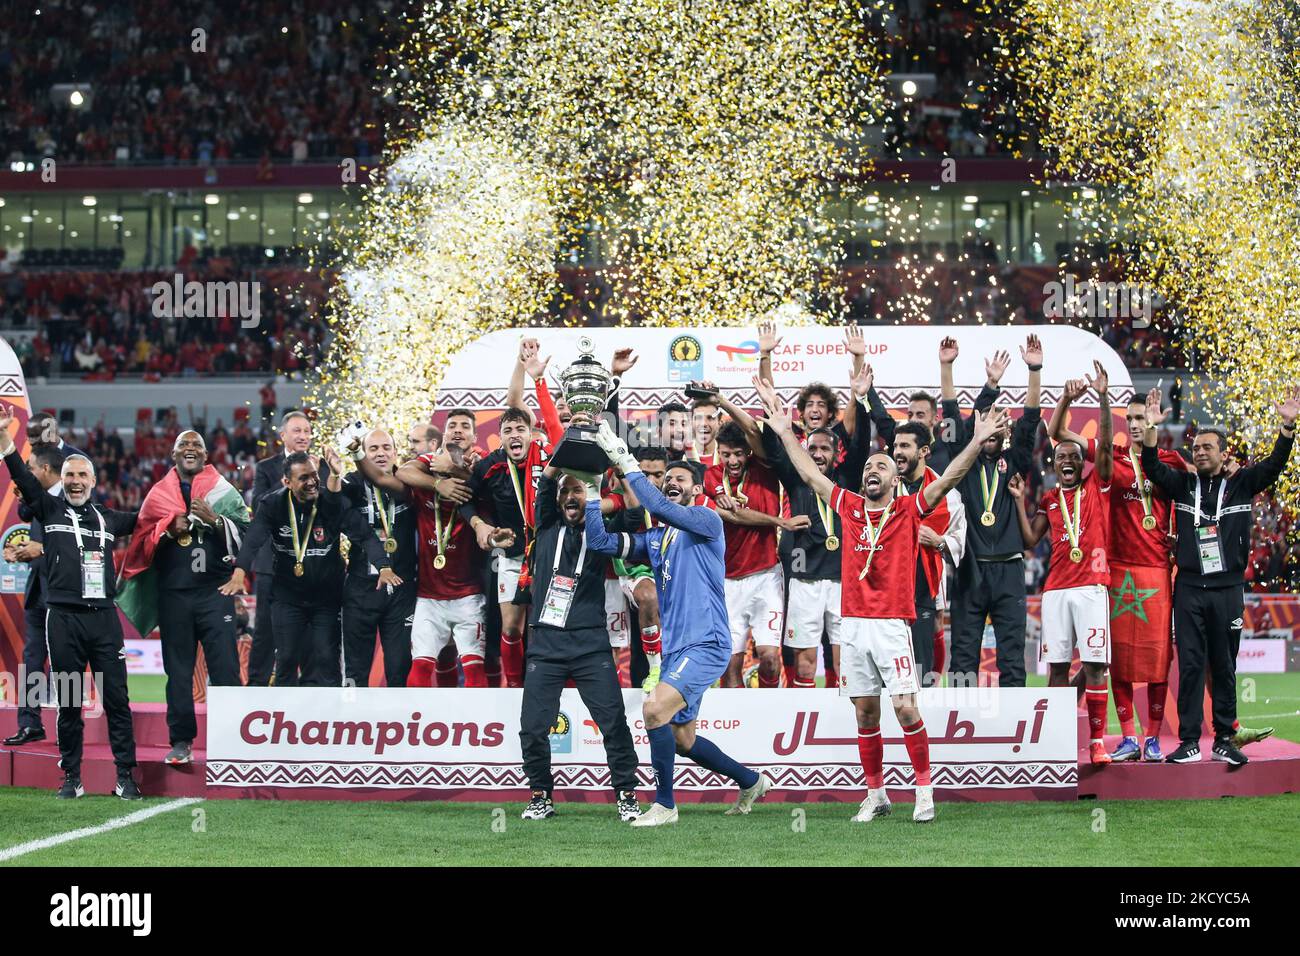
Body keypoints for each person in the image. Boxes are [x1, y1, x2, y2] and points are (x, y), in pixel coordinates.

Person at [757, 376, 1008, 823]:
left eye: (883, 468)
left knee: (905, 706)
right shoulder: (849, 506)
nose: (873, 470)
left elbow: (951, 476)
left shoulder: (909, 510)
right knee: (866, 711)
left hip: (892, 624)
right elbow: (811, 474)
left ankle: (924, 789)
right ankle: (876, 794)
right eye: (870, 466)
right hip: (851, 624)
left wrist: (979, 439)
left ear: (896, 481)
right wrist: (782, 431)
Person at [586, 422, 772, 827]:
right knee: (683, 739)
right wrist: (588, 492)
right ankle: (750, 780)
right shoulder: (657, 539)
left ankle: (665, 805)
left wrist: (623, 458)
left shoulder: (706, 520)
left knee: (653, 710)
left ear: (696, 490)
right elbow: (601, 543)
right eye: (667, 478)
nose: (670, 483)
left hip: (706, 643)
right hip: (676, 648)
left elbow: (662, 507)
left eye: (679, 479)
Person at [1139, 386, 1298, 765]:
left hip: (1227, 588)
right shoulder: (1181, 484)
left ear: (1224, 453)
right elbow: (1150, 466)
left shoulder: (1242, 483)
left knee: (1224, 664)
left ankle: (1226, 738)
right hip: (1190, 587)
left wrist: (1287, 427)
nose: (1199, 451)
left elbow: (1274, 465)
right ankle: (1190, 741)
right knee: (1191, 663)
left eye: (1208, 447)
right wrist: (1150, 428)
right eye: (1196, 447)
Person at [0, 405, 142, 799]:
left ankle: (125, 776)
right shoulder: (48, 508)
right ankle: (71, 778)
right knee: (68, 703)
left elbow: (151, 518)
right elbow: (22, 476)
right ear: (60, 483)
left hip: (104, 620)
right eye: (70, 476)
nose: (76, 481)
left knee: (118, 700)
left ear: (93, 481)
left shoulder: (109, 518)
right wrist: (5, 441)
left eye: (82, 475)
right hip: (61, 619)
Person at [1048, 379, 1186, 762]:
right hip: (1118, 569)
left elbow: (1192, 500)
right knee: (1118, 658)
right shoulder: (1115, 454)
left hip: (1158, 568)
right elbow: (1058, 432)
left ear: (1154, 421)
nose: (1138, 424)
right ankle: (1127, 737)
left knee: (1158, 659)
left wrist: (1181, 543)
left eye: (1144, 418)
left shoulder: (1170, 462)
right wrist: (1072, 398)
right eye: (1133, 418)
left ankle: (1153, 738)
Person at [116, 431, 249, 766]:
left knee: (226, 669)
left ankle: (231, 740)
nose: (190, 450)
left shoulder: (223, 491)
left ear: (206, 455)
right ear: (173, 454)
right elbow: (141, 539)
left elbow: (247, 535)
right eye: (183, 446)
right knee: (178, 672)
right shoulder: (157, 495)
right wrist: (165, 531)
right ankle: (180, 741)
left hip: (215, 592)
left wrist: (215, 521)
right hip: (173, 594)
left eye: (196, 446)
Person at [518, 464, 641, 822]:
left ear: (591, 498)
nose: (572, 497)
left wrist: (621, 466)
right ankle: (540, 795)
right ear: (556, 501)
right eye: (565, 492)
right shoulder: (544, 525)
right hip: (546, 645)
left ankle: (627, 795)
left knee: (613, 722)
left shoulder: (601, 532)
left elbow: (633, 514)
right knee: (533, 726)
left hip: (590, 645)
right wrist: (572, 443)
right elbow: (545, 478)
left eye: (579, 491)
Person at [1010, 361, 1115, 765]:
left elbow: (1104, 446)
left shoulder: (1098, 486)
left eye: (1074, 456)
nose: (1067, 460)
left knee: (1093, 664)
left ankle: (1097, 742)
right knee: (1056, 667)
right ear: (1053, 466)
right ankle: (1056, 742)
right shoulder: (1051, 500)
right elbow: (1030, 539)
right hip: (1055, 590)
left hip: (1091, 588)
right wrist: (1021, 503)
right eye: (1061, 457)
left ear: (1082, 462)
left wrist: (1103, 398)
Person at [223, 450, 400, 686]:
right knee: (286, 659)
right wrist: (240, 571)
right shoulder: (273, 504)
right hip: (287, 596)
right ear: (287, 482)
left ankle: (330, 718)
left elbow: (365, 536)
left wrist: (384, 566)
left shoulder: (332, 504)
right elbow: (253, 539)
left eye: (314, 475)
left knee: (327, 658)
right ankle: (283, 717)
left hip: (326, 598)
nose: (312, 482)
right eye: (303, 478)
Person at [761, 362, 874, 687]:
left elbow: (862, 440)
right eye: (813, 448)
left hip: (842, 581)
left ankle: (844, 721)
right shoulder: (796, 480)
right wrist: (772, 408)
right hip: (805, 581)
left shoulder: (848, 480)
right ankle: (804, 718)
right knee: (806, 664)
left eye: (826, 448)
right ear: (803, 451)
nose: (819, 453)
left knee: (844, 661)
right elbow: (772, 446)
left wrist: (862, 399)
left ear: (837, 453)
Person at [944, 335, 1041, 688]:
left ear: (1006, 431)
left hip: (1009, 569)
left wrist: (1034, 370)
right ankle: (959, 727)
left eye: (1000, 422)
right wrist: (983, 383)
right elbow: (953, 413)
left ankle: (1014, 731)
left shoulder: (1014, 462)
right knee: (964, 654)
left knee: (1012, 655)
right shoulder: (963, 464)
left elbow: (1030, 420)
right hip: (970, 569)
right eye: (986, 422)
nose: (993, 426)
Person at [398, 423, 506, 688]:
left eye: (464, 427)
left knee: (475, 672)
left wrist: (491, 535)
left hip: (469, 595)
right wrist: (438, 483)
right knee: (420, 671)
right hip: (429, 596)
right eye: (452, 426)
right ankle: (422, 725)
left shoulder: (477, 477)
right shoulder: (427, 470)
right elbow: (403, 470)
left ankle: (480, 725)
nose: (441, 461)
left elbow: (488, 514)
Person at [705, 416, 805, 688]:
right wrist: (719, 501)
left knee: (770, 657)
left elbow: (752, 430)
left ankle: (767, 709)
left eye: (738, 453)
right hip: (727, 582)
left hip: (766, 578)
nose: (732, 460)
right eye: (726, 454)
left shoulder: (765, 469)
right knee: (730, 665)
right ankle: (739, 724)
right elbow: (733, 516)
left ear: (748, 452)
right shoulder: (711, 477)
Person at [246, 410, 329, 685]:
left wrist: (317, 476)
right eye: (297, 430)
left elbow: (332, 510)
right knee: (266, 630)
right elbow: (259, 504)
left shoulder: (323, 467)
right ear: (283, 435)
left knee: (309, 631)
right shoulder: (267, 468)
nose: (303, 435)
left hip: (314, 565)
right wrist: (294, 483)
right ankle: (256, 689)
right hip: (274, 564)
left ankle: (310, 691)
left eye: (307, 430)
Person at [890, 421, 967, 687]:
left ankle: (931, 687)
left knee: (929, 634)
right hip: (889, 582)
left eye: (904, 446)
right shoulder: (884, 489)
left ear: (923, 451)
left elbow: (959, 539)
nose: (897, 452)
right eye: (895, 446)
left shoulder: (949, 495)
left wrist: (939, 541)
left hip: (925, 579)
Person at [340, 430, 418, 688]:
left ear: (395, 452)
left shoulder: (408, 483)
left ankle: (401, 724)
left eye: (386, 447)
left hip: (402, 589)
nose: (381, 453)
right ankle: (353, 723)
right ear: (363, 454)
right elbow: (331, 503)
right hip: (361, 588)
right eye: (373, 448)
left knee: (399, 668)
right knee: (356, 669)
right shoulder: (351, 485)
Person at [3, 444, 64, 746]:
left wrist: (41, 550)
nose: (28, 473)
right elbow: (26, 514)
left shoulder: (71, 498)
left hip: (65, 594)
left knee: (67, 661)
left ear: (47, 470)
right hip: (38, 587)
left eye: (31, 468)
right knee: (32, 658)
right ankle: (30, 723)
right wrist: (25, 553)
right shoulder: (39, 499)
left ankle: (70, 724)